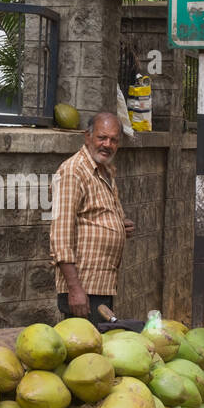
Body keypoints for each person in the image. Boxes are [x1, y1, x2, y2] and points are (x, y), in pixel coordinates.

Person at [49, 111, 136, 326]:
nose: (107, 144)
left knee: (98, 350)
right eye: (102, 137)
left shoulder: (103, 170)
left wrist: (118, 224)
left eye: (114, 140)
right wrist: (75, 289)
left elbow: (93, 215)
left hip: (101, 283)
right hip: (84, 288)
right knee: (85, 355)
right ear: (87, 137)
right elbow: (60, 236)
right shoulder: (73, 171)